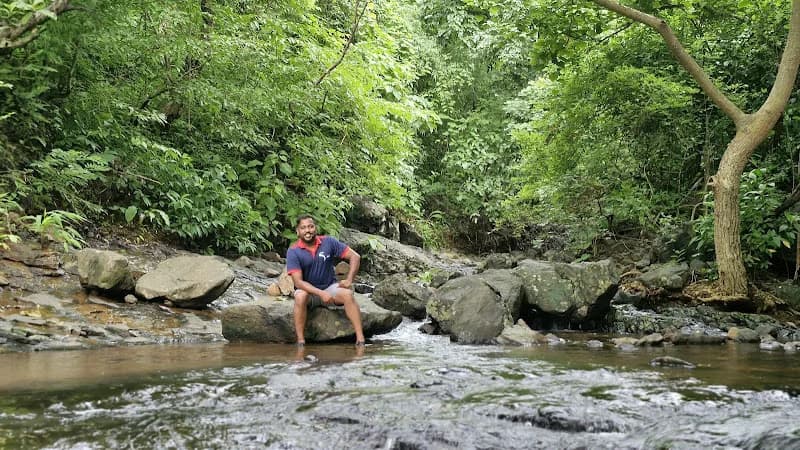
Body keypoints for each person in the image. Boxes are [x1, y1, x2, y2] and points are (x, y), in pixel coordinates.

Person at [285, 214, 365, 347]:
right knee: (300, 297)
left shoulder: (328, 242)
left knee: (348, 295)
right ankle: (300, 341)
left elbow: (355, 257)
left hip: (330, 287)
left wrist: (349, 279)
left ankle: (360, 339)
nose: (308, 230)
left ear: (315, 228)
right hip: (307, 292)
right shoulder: (293, 251)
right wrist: (320, 293)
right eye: (303, 228)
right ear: (298, 231)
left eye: (310, 226)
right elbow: (298, 282)